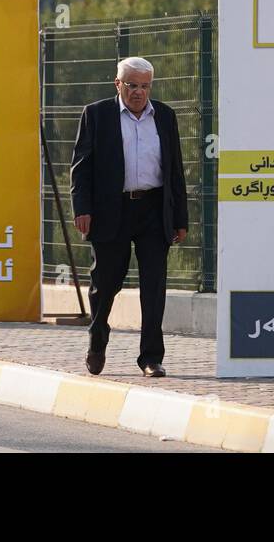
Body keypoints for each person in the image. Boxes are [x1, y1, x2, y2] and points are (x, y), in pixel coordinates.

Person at [70, 57, 188, 377]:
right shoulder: (97, 115)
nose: (138, 92)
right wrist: (82, 208)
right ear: (118, 84)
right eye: (132, 85)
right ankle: (97, 341)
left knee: (154, 285)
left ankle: (151, 357)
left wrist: (180, 218)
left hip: (153, 209)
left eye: (145, 86)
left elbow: (175, 170)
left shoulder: (164, 116)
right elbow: (81, 168)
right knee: (105, 283)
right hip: (112, 210)